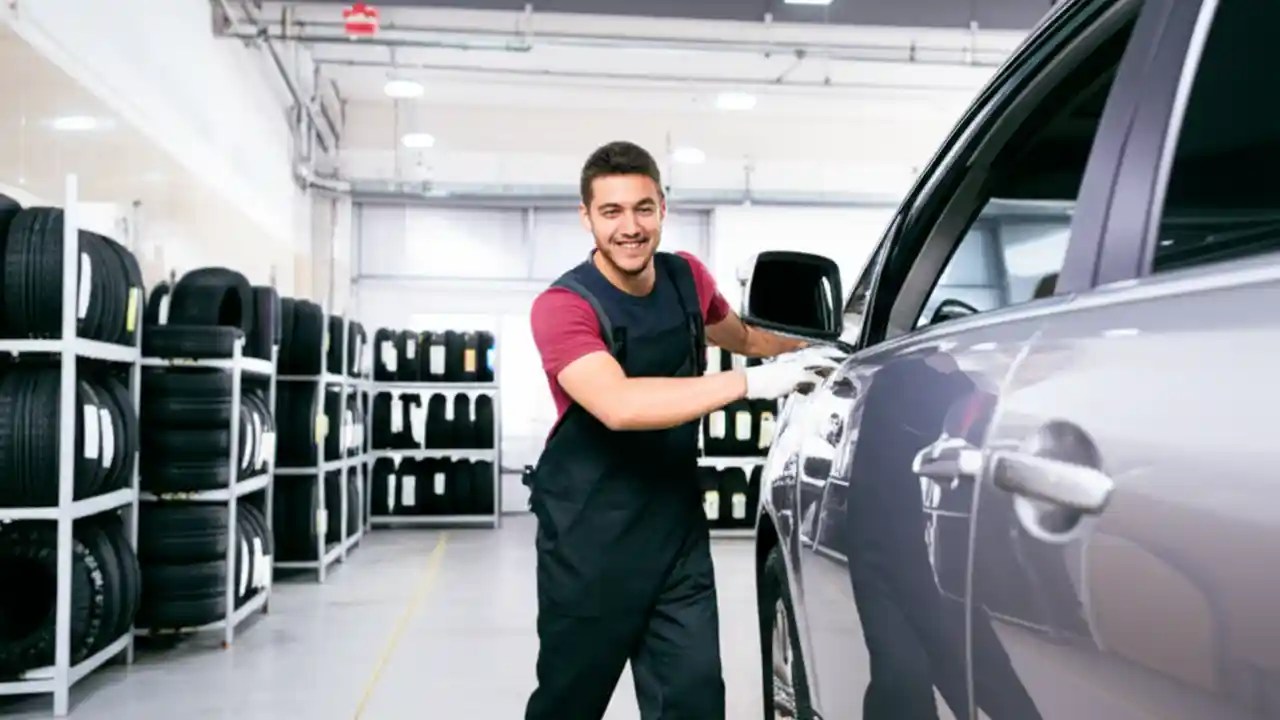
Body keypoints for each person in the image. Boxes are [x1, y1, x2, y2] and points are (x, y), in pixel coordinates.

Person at [524, 140, 838, 720]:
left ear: (662, 208)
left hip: (674, 530)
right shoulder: (564, 307)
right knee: (570, 702)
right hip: (589, 539)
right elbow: (617, 404)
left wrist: (818, 350)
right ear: (587, 217)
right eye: (612, 212)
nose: (630, 227)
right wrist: (753, 385)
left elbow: (742, 338)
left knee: (693, 700)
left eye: (643, 208)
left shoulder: (686, 277)